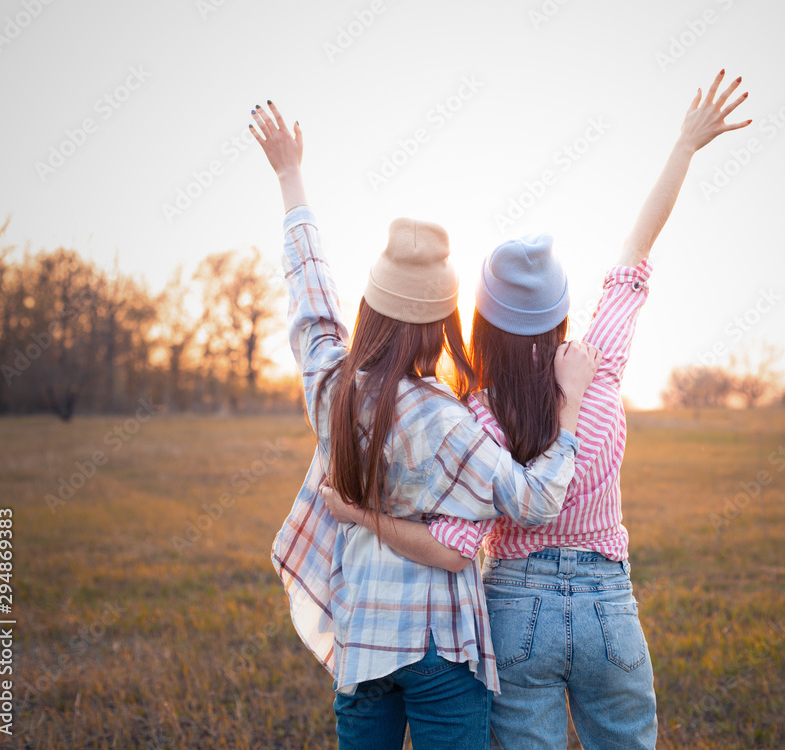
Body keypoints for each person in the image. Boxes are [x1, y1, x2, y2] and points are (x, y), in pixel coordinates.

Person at [323, 69, 752, 749]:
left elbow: (448, 547)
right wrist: (685, 146)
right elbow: (635, 254)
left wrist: (360, 514)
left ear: (481, 322)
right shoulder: (597, 365)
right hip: (610, 604)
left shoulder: (475, 419)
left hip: (514, 610)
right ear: (560, 313)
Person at [250, 100, 602, 750]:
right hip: (442, 646)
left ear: (372, 304)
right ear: (444, 322)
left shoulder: (328, 382)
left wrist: (289, 177)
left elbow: (310, 291)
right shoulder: (447, 420)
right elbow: (535, 501)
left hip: (363, 641)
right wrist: (570, 405)